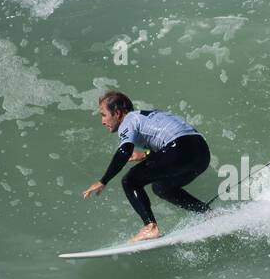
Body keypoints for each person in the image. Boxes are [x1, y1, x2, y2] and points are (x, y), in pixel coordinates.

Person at [82, 90, 211, 242]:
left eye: (103, 115)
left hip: (180, 148)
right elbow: (168, 141)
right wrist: (145, 155)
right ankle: (208, 214)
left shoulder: (128, 120)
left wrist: (103, 181)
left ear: (117, 113)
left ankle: (150, 227)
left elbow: (124, 151)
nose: (103, 121)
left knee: (130, 181)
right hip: (201, 153)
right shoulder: (147, 116)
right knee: (161, 188)